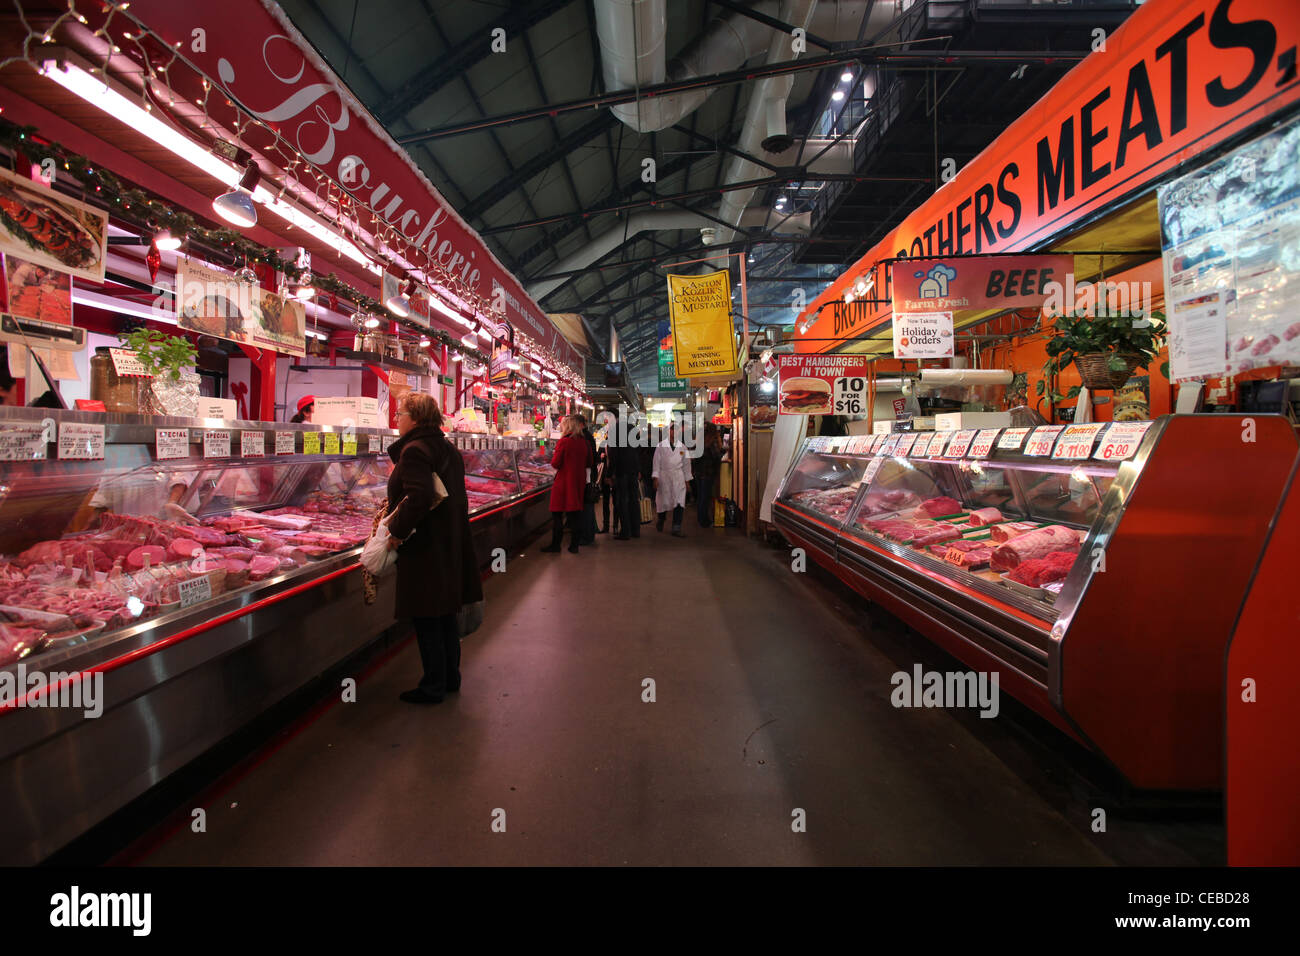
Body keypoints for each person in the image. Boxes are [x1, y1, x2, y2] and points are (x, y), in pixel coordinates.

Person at [385, 392, 483, 705]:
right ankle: (450, 677)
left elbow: (420, 496)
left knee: (427, 615)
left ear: (414, 418)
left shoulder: (414, 450)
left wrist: (397, 532)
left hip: (426, 545)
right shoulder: (447, 448)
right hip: (449, 540)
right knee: (444, 614)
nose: (397, 419)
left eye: (400, 414)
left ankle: (432, 686)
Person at [542, 415, 590, 554]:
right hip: (578, 482)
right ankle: (574, 545)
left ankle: (556, 545)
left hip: (563, 482)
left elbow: (556, 463)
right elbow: (589, 462)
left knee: (557, 514)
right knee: (575, 514)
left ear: (568, 426)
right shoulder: (584, 442)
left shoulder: (564, 441)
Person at [652, 420, 692, 537]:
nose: (674, 431)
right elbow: (656, 463)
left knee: (679, 501)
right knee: (664, 501)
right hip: (664, 477)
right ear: (668, 431)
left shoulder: (683, 447)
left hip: (678, 477)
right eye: (672, 429)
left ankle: (676, 527)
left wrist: (687, 481)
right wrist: (655, 478)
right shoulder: (660, 446)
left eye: (676, 429)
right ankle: (661, 519)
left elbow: (686, 465)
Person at [609, 419, 642, 541]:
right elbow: (638, 451)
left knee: (622, 501)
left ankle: (625, 532)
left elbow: (614, 455)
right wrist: (639, 469)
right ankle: (636, 530)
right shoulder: (632, 429)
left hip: (621, 470)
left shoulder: (614, 431)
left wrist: (609, 473)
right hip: (633, 470)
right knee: (634, 500)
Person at [695, 425, 723, 528]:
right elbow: (716, 456)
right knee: (705, 497)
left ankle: (700, 518)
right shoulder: (712, 441)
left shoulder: (699, 440)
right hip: (708, 472)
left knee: (701, 497)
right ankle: (704, 521)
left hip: (699, 472)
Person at [577, 414, 599, 545]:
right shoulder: (587, 436)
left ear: (580, 424)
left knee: (586, 506)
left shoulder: (584, 437)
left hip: (586, 476)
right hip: (589, 475)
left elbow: (590, 459)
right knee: (588, 506)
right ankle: (589, 533)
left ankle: (586, 535)